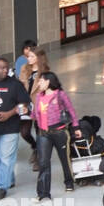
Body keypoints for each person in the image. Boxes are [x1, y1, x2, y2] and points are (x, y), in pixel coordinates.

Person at [32, 71, 80, 199]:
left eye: (41, 81)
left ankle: (69, 182)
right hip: (43, 133)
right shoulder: (38, 96)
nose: (39, 83)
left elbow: (71, 110)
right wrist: (26, 112)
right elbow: (35, 114)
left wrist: (76, 126)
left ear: (48, 81)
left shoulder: (60, 94)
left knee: (64, 159)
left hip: (59, 132)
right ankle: (43, 192)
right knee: (43, 162)